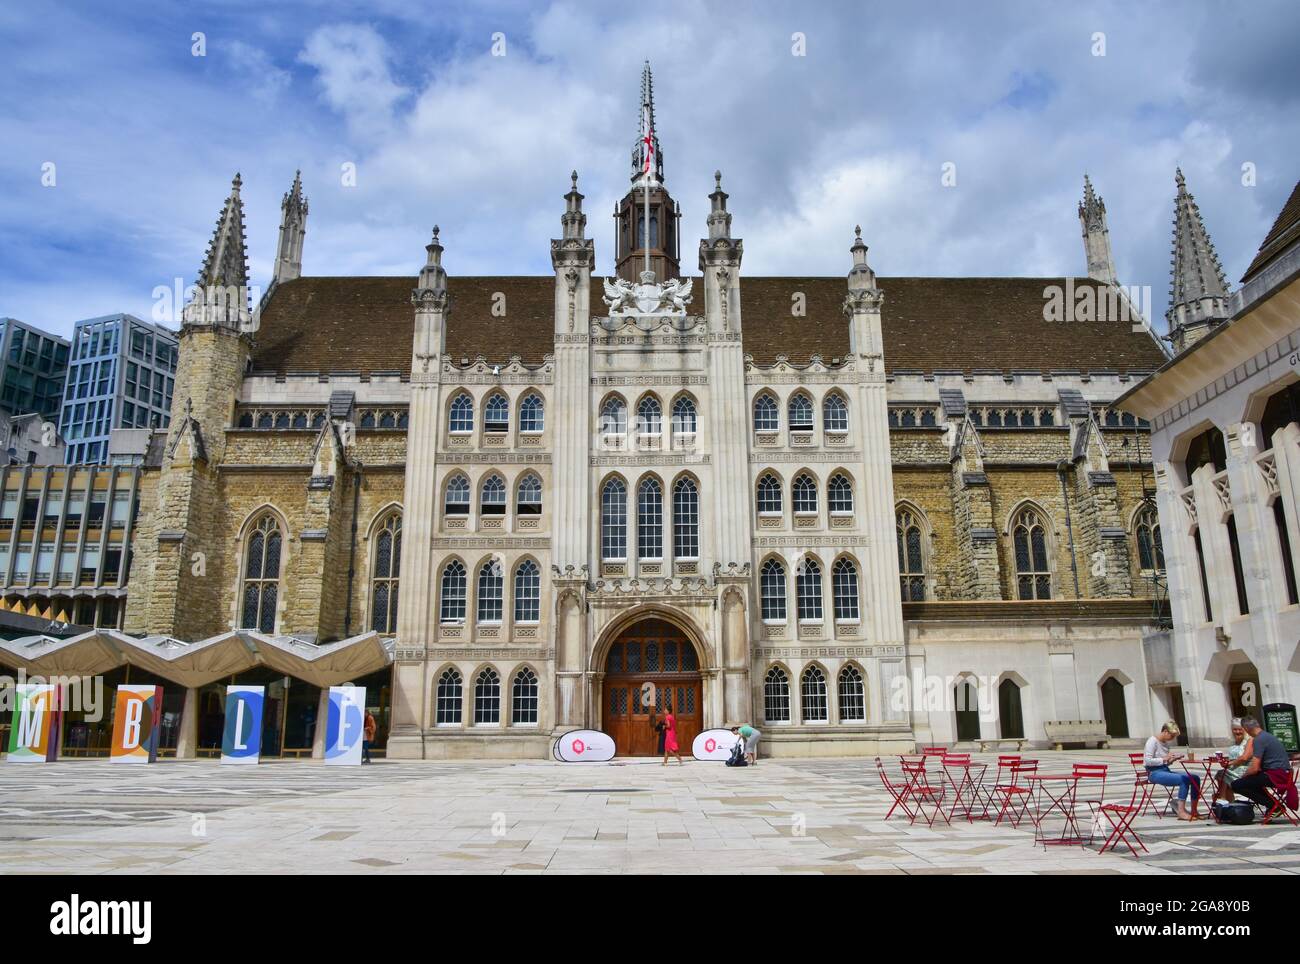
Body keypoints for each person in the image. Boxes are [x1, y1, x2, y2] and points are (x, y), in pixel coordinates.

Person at [1230, 717, 1295, 811]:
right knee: (1251, 782)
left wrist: (1244, 776)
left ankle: (1274, 806)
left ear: (1246, 729)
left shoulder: (1258, 740)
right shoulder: (1267, 736)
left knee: (1237, 785)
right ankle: (1274, 805)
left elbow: (1254, 768)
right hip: (1284, 773)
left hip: (1276, 775)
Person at [1144, 721, 1201, 820]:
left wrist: (1171, 760)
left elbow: (1164, 762)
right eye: (1172, 736)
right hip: (1154, 773)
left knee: (1195, 778)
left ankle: (1194, 810)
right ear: (1165, 731)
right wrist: (1165, 758)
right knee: (1183, 779)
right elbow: (1147, 761)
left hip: (1164, 770)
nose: (1172, 739)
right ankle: (1181, 811)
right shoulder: (1152, 741)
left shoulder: (1165, 744)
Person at [1213, 719, 1253, 802]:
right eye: (1235, 729)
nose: (1237, 732)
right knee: (1222, 774)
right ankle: (1230, 804)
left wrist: (1230, 763)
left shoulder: (1249, 740)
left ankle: (1223, 798)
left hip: (1245, 771)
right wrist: (1225, 762)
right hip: (1233, 770)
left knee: (1222, 774)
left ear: (1245, 729)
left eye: (1240, 729)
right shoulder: (1235, 741)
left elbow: (1244, 758)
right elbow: (1234, 758)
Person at [661, 701, 682, 765]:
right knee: (667, 748)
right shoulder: (671, 716)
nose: (664, 711)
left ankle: (679, 759)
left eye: (665, 710)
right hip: (672, 733)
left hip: (669, 734)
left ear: (668, 711)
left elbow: (669, 726)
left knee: (670, 749)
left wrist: (664, 726)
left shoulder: (667, 717)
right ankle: (665, 762)